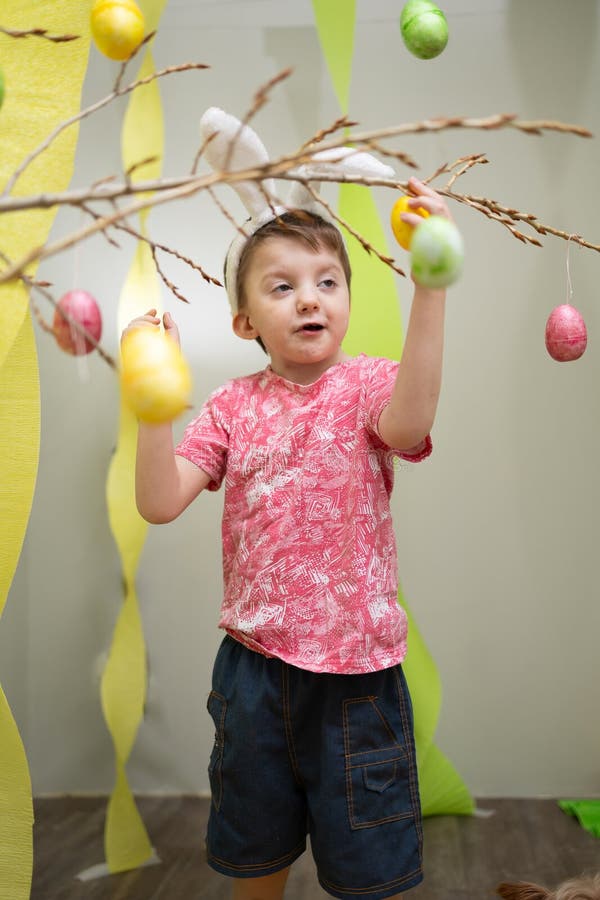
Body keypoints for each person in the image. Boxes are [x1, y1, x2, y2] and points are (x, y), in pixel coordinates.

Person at [123, 174, 452, 900]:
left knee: (370, 870)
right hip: (254, 674)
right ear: (245, 322)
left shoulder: (369, 386)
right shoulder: (230, 406)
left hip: (357, 679)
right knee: (255, 856)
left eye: (327, 281)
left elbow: (412, 424)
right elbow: (157, 502)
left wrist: (431, 287)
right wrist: (153, 397)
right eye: (283, 286)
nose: (310, 298)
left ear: (345, 302)